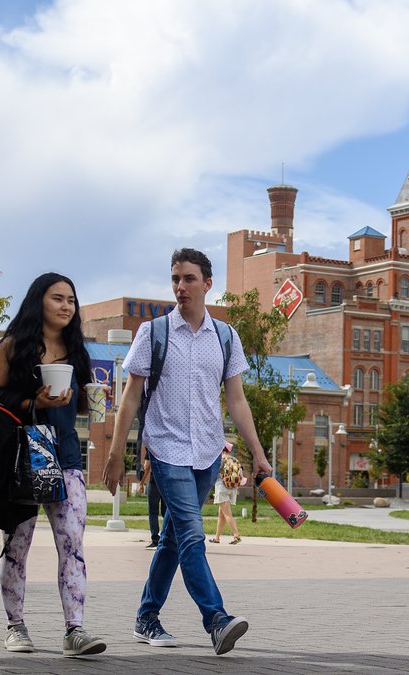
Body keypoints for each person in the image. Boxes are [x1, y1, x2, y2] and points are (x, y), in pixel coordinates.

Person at [103, 248, 272, 656]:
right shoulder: (153, 332)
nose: (181, 286)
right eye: (176, 278)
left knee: (175, 541)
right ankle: (216, 620)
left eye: (189, 279)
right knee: (193, 534)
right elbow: (129, 398)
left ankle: (146, 618)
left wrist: (259, 453)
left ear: (208, 284)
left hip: (208, 453)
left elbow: (237, 400)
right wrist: (115, 455)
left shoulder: (226, 336)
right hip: (166, 448)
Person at [0, 272, 105, 658]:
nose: (66, 306)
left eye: (71, 300)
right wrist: (32, 404)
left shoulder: (77, 351)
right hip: (23, 459)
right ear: (39, 302)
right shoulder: (13, 348)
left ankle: (75, 630)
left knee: (73, 545)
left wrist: (94, 400)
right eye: (57, 299)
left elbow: (79, 405)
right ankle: (15, 627)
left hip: (66, 459)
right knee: (17, 546)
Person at [210, 444, 242, 545]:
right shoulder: (233, 459)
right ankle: (217, 537)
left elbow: (214, 473)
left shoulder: (220, 459)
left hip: (222, 487)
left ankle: (236, 535)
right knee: (222, 515)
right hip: (232, 488)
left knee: (227, 514)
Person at [140, 448, 165, 550]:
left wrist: (141, 483)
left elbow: (147, 467)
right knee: (166, 511)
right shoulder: (168, 447)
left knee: (153, 512)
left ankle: (155, 540)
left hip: (155, 482)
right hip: (167, 482)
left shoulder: (151, 449)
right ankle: (166, 537)